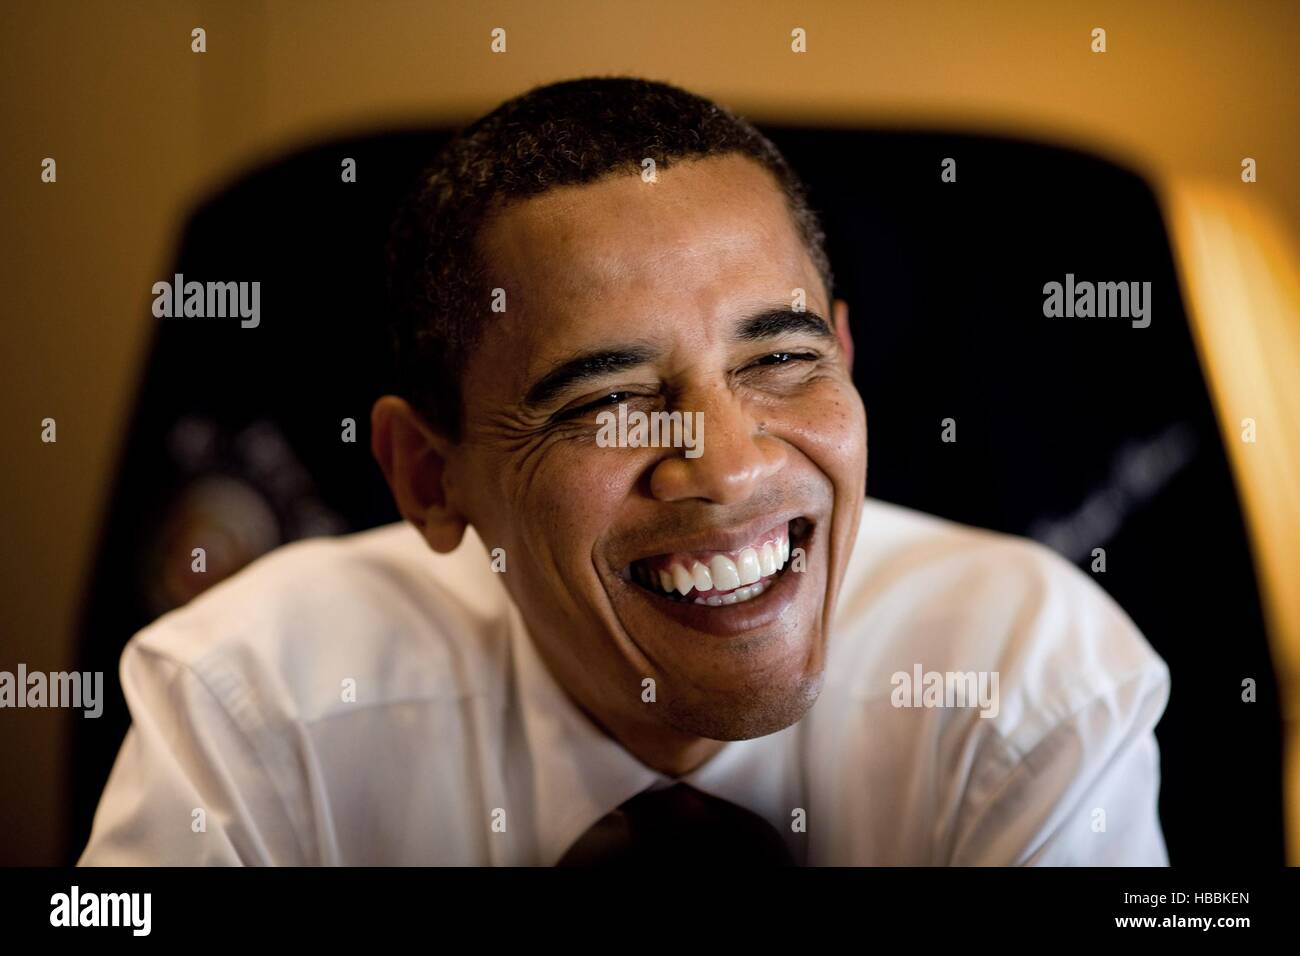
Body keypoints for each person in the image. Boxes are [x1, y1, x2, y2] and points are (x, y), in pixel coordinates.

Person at [78, 77, 1169, 865]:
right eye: (607, 399)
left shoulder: (1026, 677)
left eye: (781, 358)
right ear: (426, 477)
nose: (731, 467)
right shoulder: (252, 700)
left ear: (844, 353)